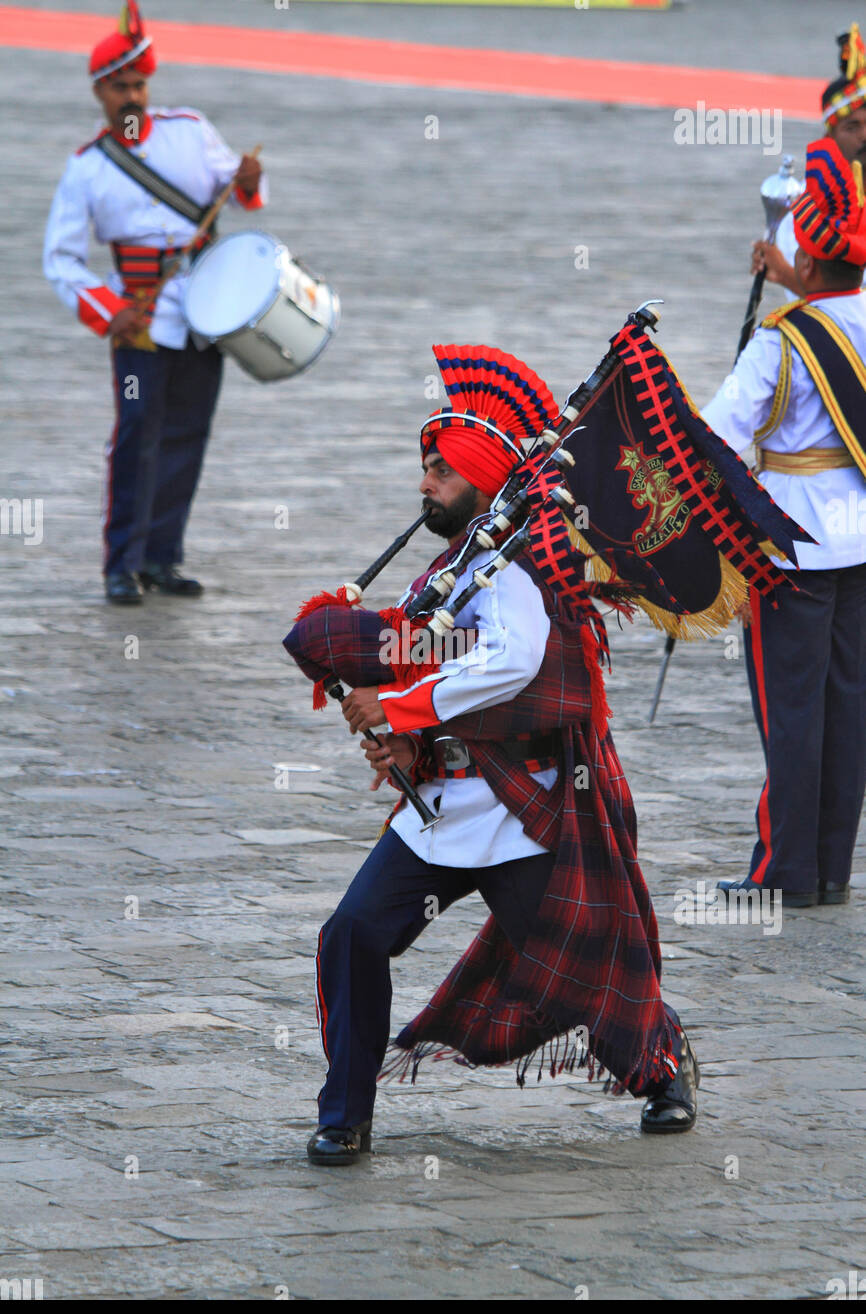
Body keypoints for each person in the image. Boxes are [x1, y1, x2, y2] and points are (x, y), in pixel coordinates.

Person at [285, 346, 699, 1166]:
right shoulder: (461, 559)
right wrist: (386, 704)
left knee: (584, 966)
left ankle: (661, 1073)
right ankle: (346, 1113)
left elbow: (512, 662)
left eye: (439, 471)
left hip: (526, 811)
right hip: (441, 815)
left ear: (479, 474)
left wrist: (399, 705)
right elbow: (431, 647)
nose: (424, 486)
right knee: (352, 936)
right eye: (425, 469)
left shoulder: (521, 562)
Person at [43, 2, 265, 605]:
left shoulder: (190, 132)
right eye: (120, 87)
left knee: (189, 432)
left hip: (205, 316)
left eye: (139, 83)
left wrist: (248, 177)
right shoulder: (86, 168)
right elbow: (59, 258)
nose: (132, 96)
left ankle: (163, 558)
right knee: (137, 435)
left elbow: (239, 192)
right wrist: (105, 310)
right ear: (99, 91)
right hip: (137, 323)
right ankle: (122, 563)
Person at [703, 138, 866, 908]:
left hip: (793, 550)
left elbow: (712, 440)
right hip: (861, 540)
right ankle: (832, 870)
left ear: (807, 259)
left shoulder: (782, 341)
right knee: (849, 701)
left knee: (791, 712)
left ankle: (783, 873)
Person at [752, 23, 866, 300]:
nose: (865, 137)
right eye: (852, 127)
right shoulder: (806, 208)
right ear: (830, 135)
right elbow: (825, 297)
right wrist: (779, 269)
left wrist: (780, 270)